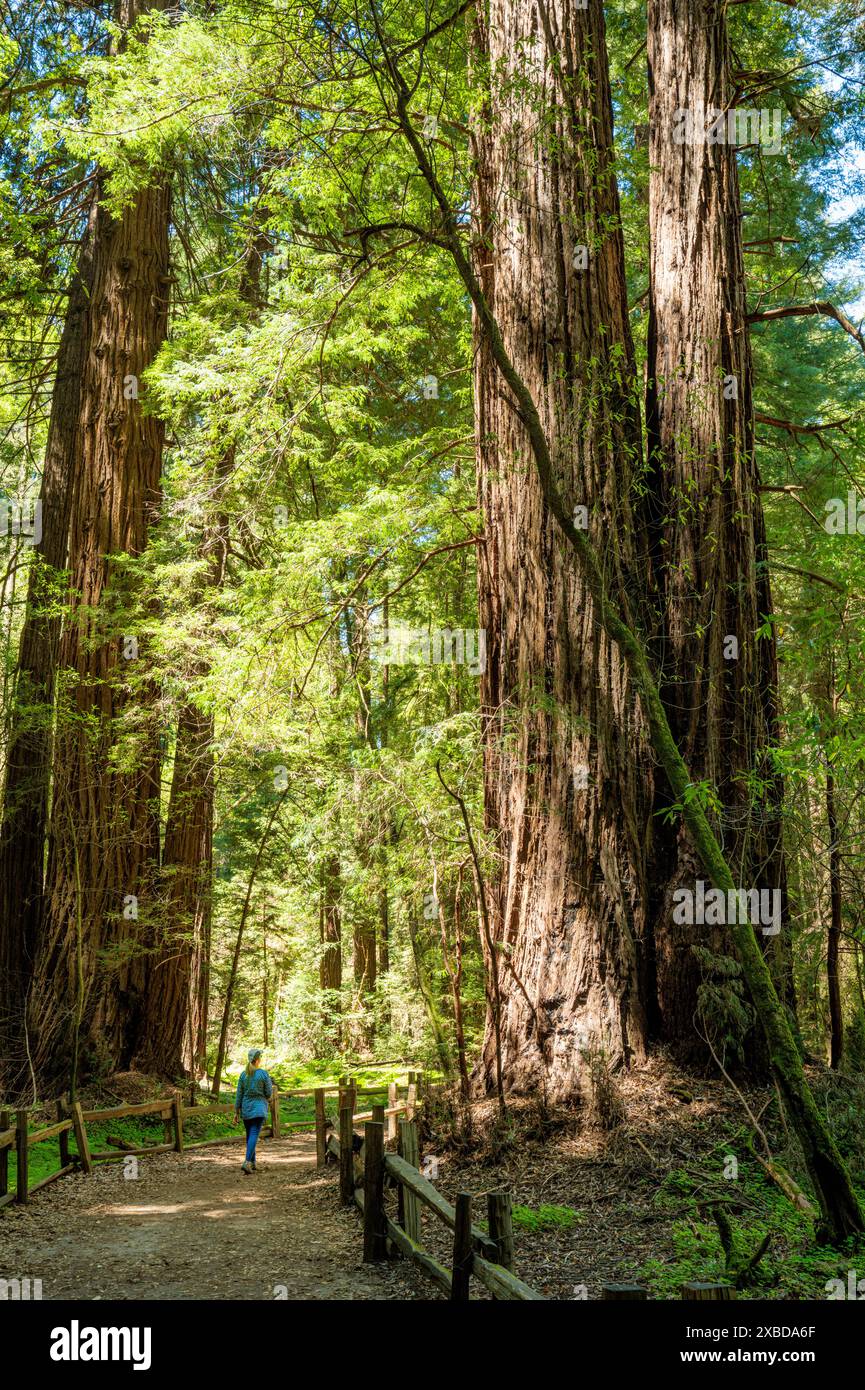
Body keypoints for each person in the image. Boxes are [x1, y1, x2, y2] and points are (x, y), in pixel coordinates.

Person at [234, 1048, 273, 1175]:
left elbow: (239, 1094)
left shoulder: (243, 1074)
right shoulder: (263, 1074)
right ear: (257, 1060)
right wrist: (267, 1098)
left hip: (246, 1109)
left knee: (250, 1136)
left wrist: (236, 1111)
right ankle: (246, 1162)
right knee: (254, 1135)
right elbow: (268, 1093)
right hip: (259, 1109)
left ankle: (253, 1163)